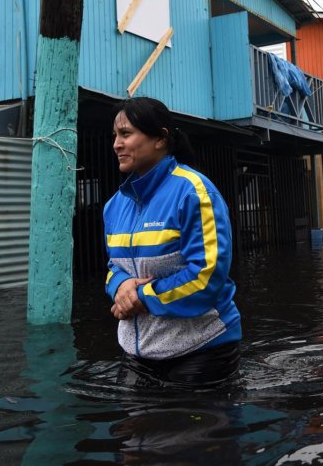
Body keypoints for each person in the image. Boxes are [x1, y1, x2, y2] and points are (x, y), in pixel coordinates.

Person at [103, 97, 241, 388]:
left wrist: (141, 297)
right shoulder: (114, 206)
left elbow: (206, 275)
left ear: (160, 139)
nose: (116, 144)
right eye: (115, 135)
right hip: (136, 352)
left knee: (186, 432)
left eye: (126, 134)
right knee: (135, 431)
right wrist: (120, 286)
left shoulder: (193, 192)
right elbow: (113, 266)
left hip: (201, 350)